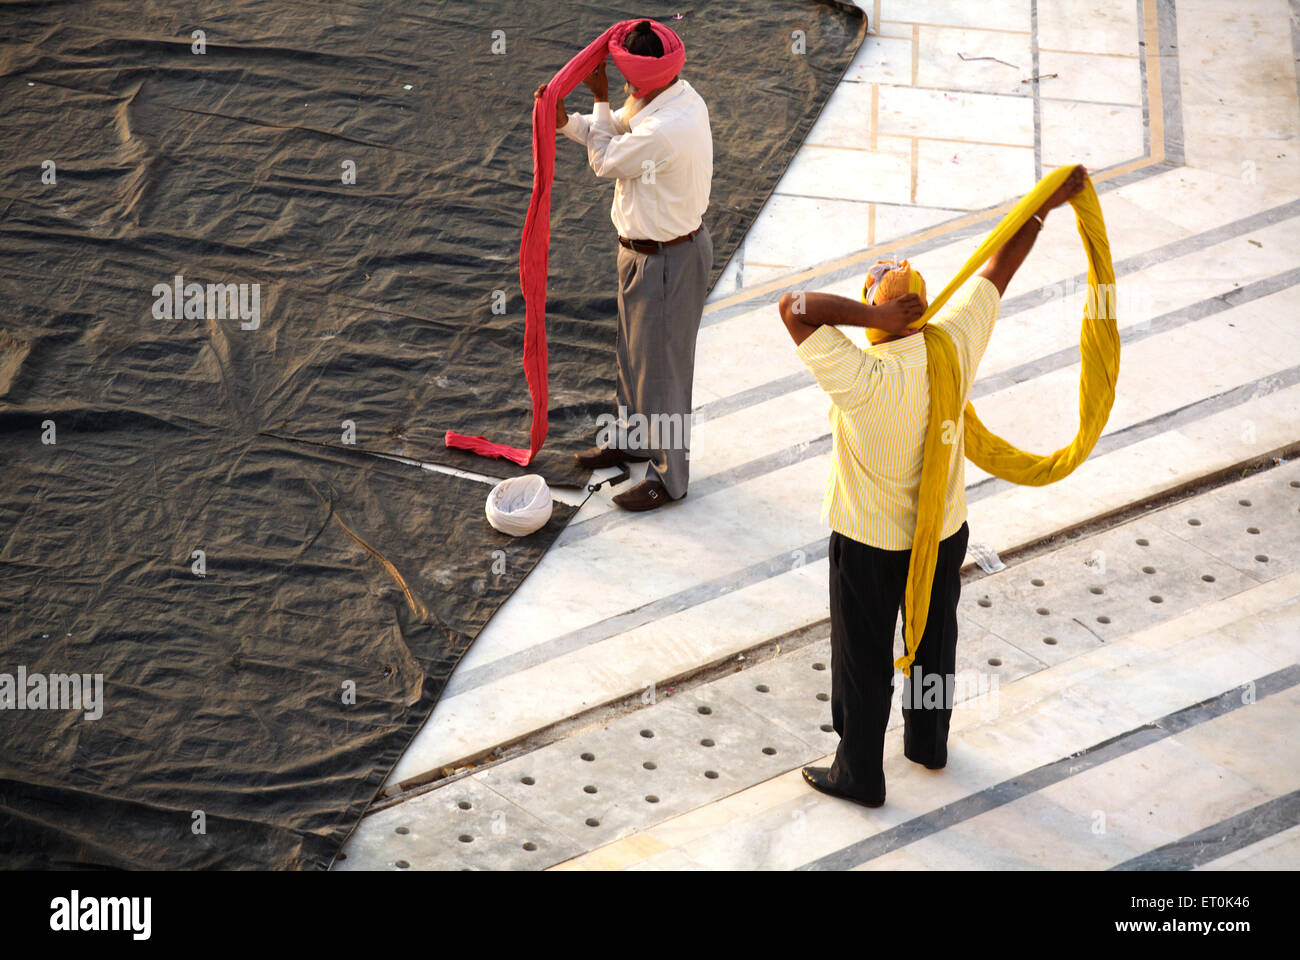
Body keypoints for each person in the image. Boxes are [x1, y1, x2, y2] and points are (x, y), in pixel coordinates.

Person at [778, 164, 1089, 806]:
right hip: (942, 535)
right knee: (932, 640)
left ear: (882, 310)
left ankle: (860, 772)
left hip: (867, 544)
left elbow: (793, 306)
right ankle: (929, 742)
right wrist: (1044, 205)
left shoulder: (858, 374)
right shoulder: (954, 345)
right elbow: (1001, 267)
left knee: (863, 657)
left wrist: (871, 313)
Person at [534, 19, 713, 511]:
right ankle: (632, 441)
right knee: (632, 359)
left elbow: (606, 159)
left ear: (640, 78)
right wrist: (568, 123)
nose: (624, 90)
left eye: (627, 81)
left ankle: (669, 477)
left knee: (665, 374)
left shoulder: (665, 128)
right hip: (644, 254)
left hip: (668, 262)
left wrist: (594, 99)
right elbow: (616, 127)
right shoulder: (672, 95)